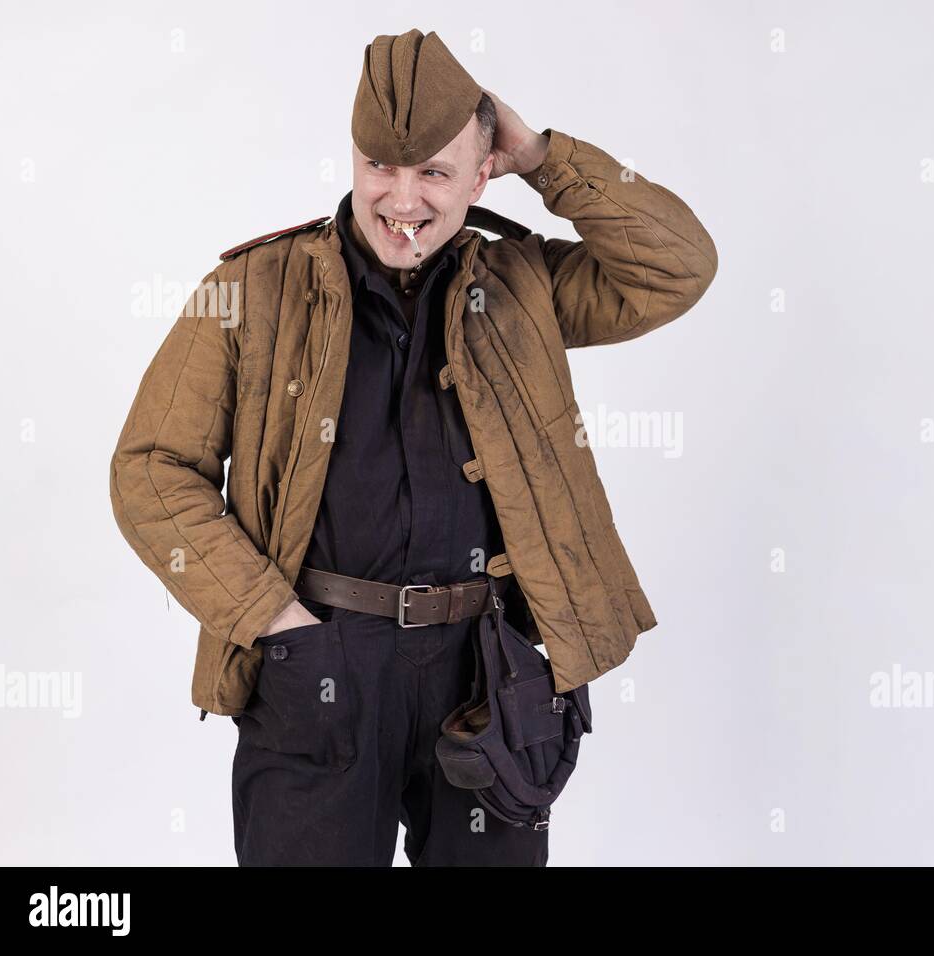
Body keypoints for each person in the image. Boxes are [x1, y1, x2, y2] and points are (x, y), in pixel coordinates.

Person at [109, 27, 718, 866]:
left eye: (433, 170)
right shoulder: (249, 290)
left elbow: (678, 266)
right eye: (380, 168)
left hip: (485, 676)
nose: (402, 199)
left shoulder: (524, 287)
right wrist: (275, 624)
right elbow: (150, 470)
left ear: (481, 170)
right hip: (319, 658)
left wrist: (544, 155)